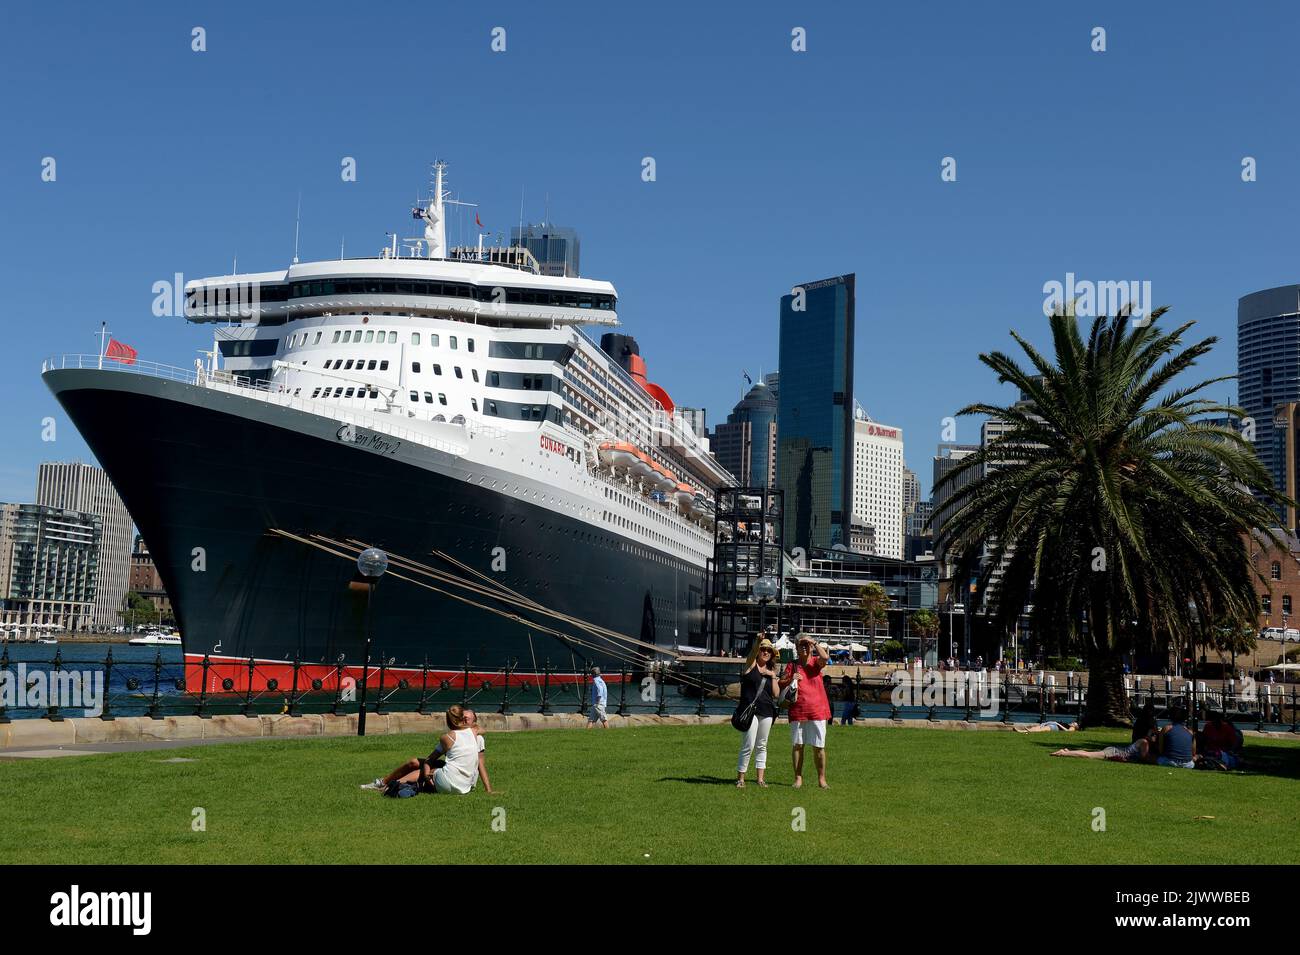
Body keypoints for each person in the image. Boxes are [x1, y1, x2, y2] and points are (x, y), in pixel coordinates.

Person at [364, 704, 494, 795]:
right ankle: (383, 783)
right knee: (415, 762)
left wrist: (426, 775)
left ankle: (388, 787)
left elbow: (480, 764)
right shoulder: (474, 731)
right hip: (460, 782)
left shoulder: (450, 737)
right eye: (464, 718)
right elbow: (430, 759)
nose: (466, 721)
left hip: (456, 781)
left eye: (468, 719)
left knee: (424, 770)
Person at [779, 634, 832, 789]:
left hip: (817, 710)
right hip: (798, 710)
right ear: (795, 647)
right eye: (801, 644)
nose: (804, 647)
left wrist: (814, 642)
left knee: (819, 746)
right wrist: (791, 678)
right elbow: (781, 682)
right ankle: (798, 777)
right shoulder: (792, 665)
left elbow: (825, 657)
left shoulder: (816, 662)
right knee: (797, 745)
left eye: (806, 644)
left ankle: (822, 779)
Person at [736, 638, 780, 788]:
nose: (766, 652)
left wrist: (772, 675)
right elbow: (751, 654)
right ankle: (741, 778)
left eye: (769, 651)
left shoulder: (771, 671)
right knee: (748, 744)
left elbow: (776, 693)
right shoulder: (751, 666)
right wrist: (757, 642)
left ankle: (760, 779)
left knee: (762, 745)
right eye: (763, 649)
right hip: (751, 711)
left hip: (767, 711)